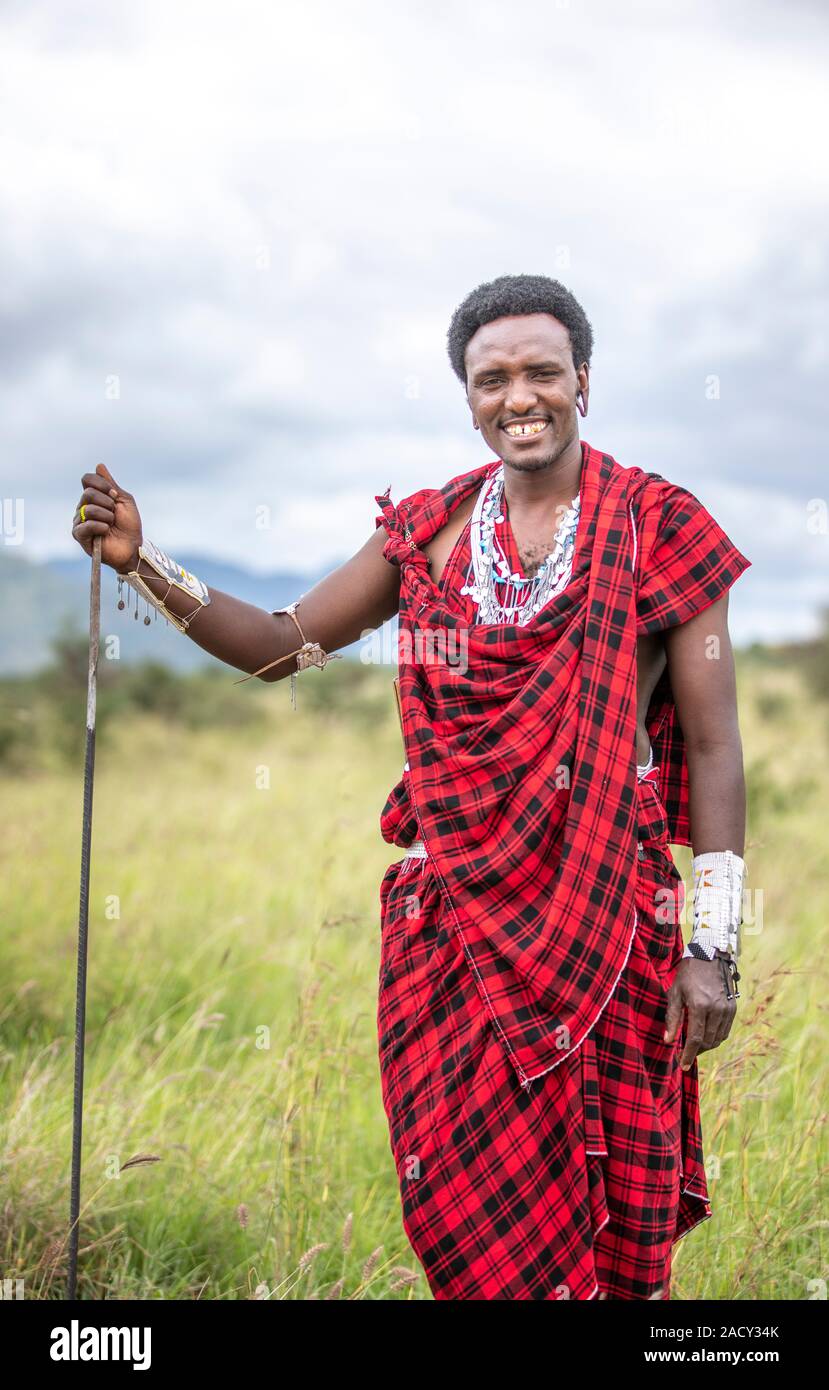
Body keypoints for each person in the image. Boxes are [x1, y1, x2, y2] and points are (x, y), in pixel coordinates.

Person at [71, 273, 751, 1301]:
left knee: (618, 1234)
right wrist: (141, 561)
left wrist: (713, 945)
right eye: (492, 379)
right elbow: (280, 648)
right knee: (478, 1233)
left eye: (540, 373)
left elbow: (715, 747)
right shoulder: (427, 534)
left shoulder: (657, 523)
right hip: (457, 938)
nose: (517, 397)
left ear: (583, 382)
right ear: (467, 395)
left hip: (608, 933)